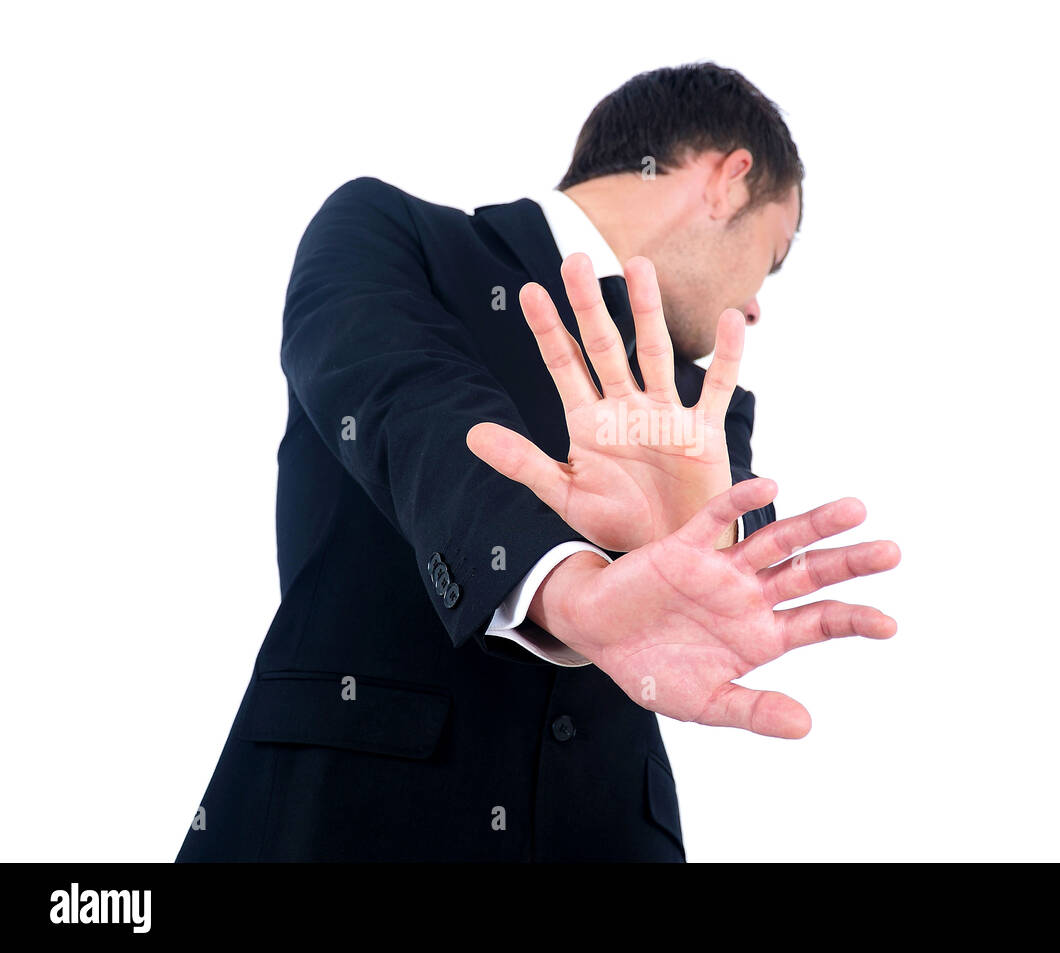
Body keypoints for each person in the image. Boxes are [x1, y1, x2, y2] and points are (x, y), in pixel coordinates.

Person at [176, 61, 901, 863]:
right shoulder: (392, 234)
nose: (759, 303)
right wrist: (567, 584)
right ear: (730, 180)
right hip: (342, 821)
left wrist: (708, 544)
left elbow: (732, 561)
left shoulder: (708, 402)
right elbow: (411, 406)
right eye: (775, 253)